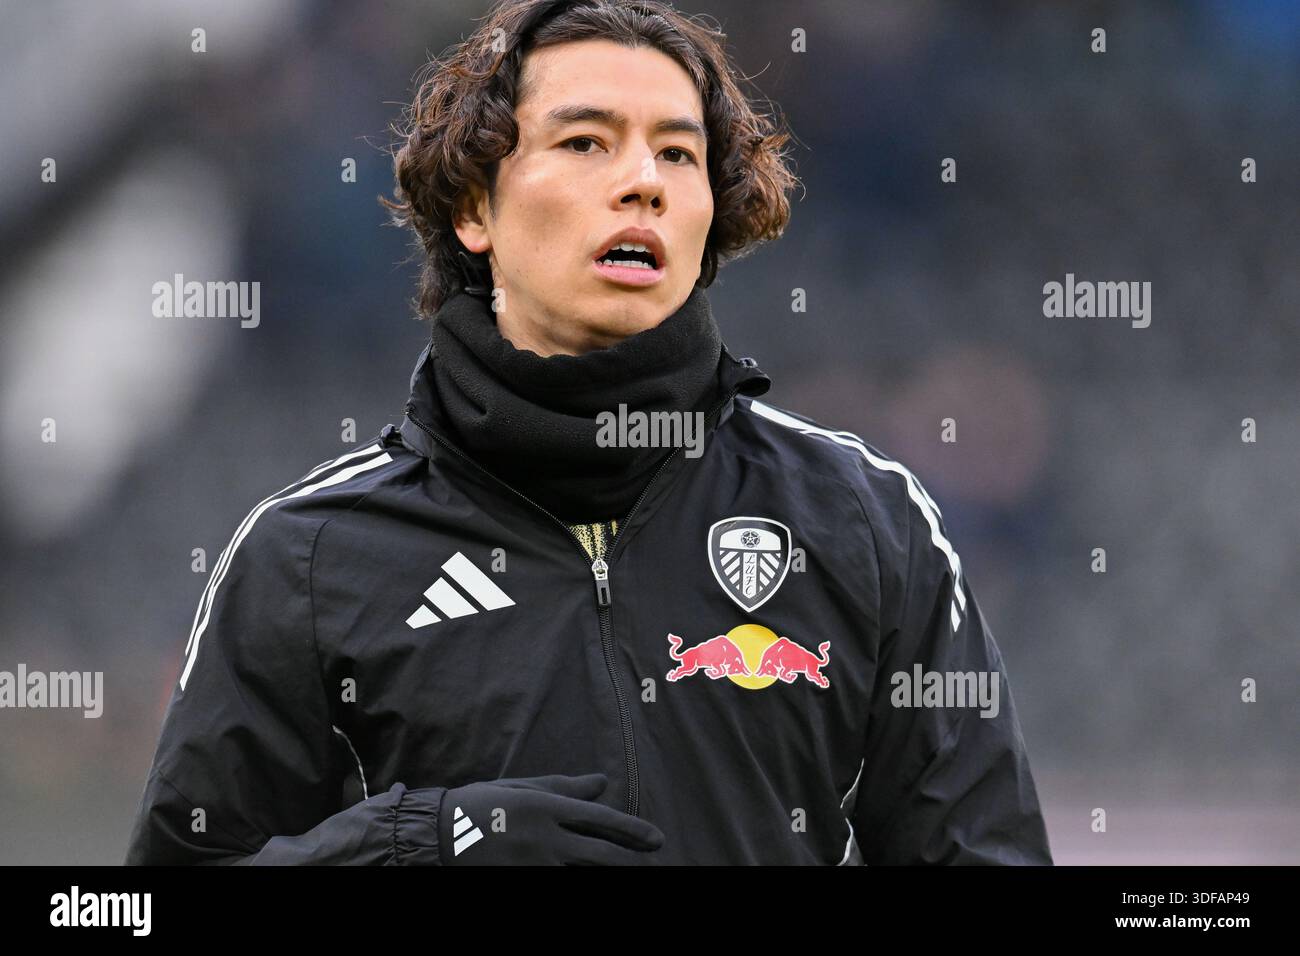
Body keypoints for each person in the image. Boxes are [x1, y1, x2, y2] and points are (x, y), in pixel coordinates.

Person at [125, 0, 1052, 865]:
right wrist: (411, 843)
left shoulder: (862, 520)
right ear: (474, 209)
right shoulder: (309, 557)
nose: (643, 182)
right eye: (585, 142)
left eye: (678, 155)